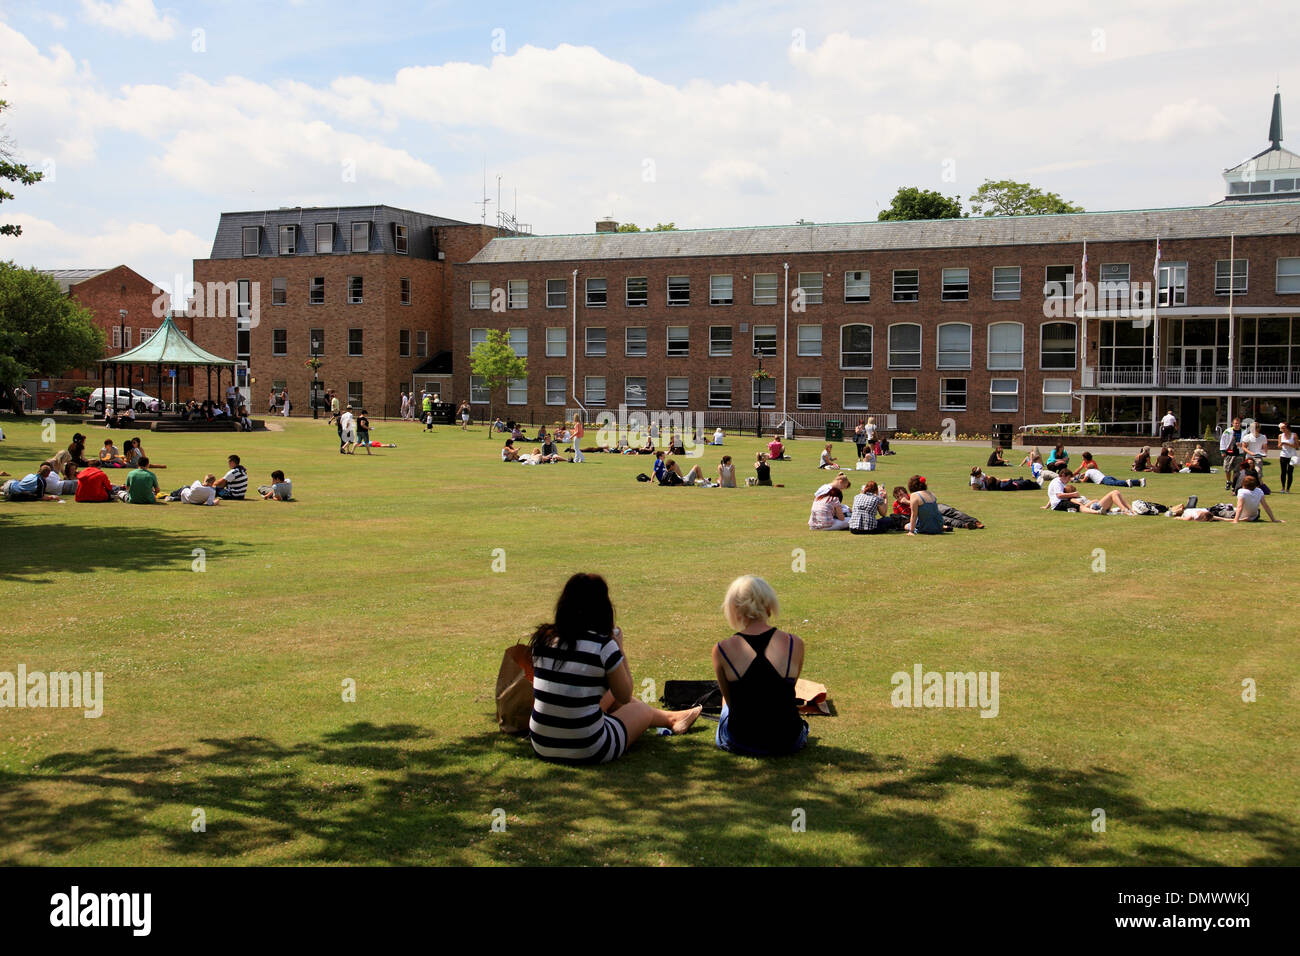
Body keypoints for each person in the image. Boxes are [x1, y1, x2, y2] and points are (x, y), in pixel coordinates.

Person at [528, 573, 701, 764]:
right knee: (642, 710)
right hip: (588, 747)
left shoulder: (542, 639)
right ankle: (670, 720)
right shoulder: (602, 645)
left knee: (603, 694)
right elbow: (624, 695)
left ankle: (673, 717)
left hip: (542, 743)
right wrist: (619, 648)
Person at [712, 576, 809, 757]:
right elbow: (784, 692)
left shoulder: (721, 649)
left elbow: (731, 702)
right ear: (769, 605)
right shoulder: (795, 643)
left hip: (741, 741)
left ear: (734, 608)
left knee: (725, 704)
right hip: (788, 740)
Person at [1075, 453, 1145, 487]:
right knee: (1117, 481)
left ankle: (1126, 482)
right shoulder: (1096, 470)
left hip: (1103, 480)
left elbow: (1084, 480)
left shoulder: (1088, 471)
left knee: (1115, 483)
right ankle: (1139, 481)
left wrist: (1077, 480)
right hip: (1107, 477)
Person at [1220, 417, 1244, 490]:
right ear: (1233, 424)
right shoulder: (1227, 431)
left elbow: (1247, 441)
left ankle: (1234, 484)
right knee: (1227, 468)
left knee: (1237, 470)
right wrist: (1222, 451)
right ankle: (1228, 481)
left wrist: (1242, 444)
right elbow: (1223, 440)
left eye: (1238, 423)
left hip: (1239, 453)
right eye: (1235, 423)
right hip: (1229, 452)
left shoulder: (1244, 432)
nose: (1237, 425)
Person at [969, 467, 1039, 491]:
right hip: (988, 486)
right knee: (1026, 482)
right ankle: (1037, 485)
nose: (982, 474)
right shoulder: (974, 481)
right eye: (980, 473)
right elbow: (976, 489)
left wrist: (995, 479)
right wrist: (986, 489)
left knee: (1011, 480)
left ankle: (1019, 479)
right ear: (977, 475)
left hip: (991, 484)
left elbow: (987, 477)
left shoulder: (981, 474)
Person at [1277, 421, 1297, 493]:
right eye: (1281, 428)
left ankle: (1288, 489)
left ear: (1288, 428)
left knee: (1290, 472)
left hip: (1292, 456)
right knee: (1283, 472)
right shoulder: (1280, 435)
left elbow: (1297, 446)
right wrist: (1281, 444)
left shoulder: (1294, 435)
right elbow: (1279, 446)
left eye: (1284, 428)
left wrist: (1287, 443)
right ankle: (1283, 488)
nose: (1282, 430)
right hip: (1283, 455)